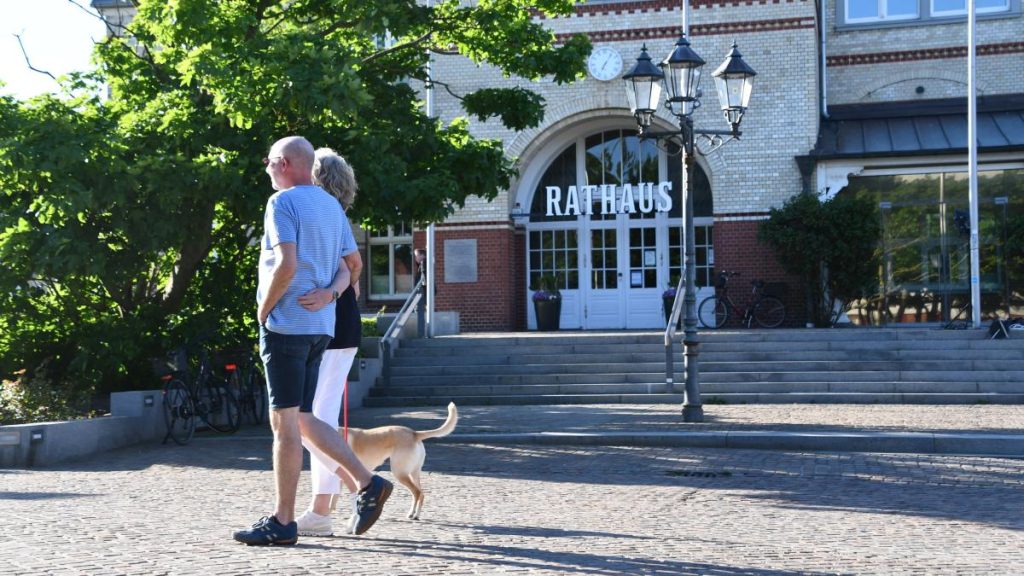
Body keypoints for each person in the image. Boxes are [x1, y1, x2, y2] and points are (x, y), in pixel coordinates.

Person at [232, 136, 392, 546]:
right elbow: (354, 264)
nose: (266, 167)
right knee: (304, 418)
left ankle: (284, 522)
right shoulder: (331, 205)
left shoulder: (281, 203)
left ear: (284, 163)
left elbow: (286, 262)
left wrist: (263, 310)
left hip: (286, 324)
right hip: (321, 327)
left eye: (269, 161)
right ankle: (366, 482)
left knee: (284, 426)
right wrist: (330, 294)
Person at [293, 148, 365, 536]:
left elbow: (347, 272)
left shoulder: (324, 217)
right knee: (317, 419)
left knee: (312, 421)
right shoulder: (336, 216)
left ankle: (350, 492)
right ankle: (332, 501)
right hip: (340, 325)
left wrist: (329, 294)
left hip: (331, 325)